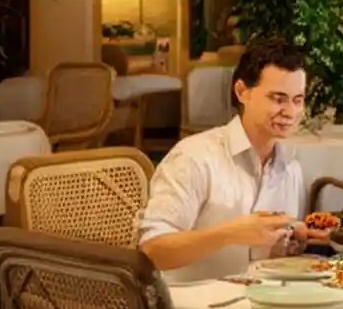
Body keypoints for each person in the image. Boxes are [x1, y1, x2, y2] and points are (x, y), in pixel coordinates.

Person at [139, 38, 328, 281]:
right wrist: (229, 234)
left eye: (297, 100)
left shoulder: (290, 168)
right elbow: (152, 251)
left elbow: (271, 258)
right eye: (278, 99)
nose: (290, 112)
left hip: (262, 304)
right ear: (242, 92)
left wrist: (294, 241)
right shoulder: (194, 158)